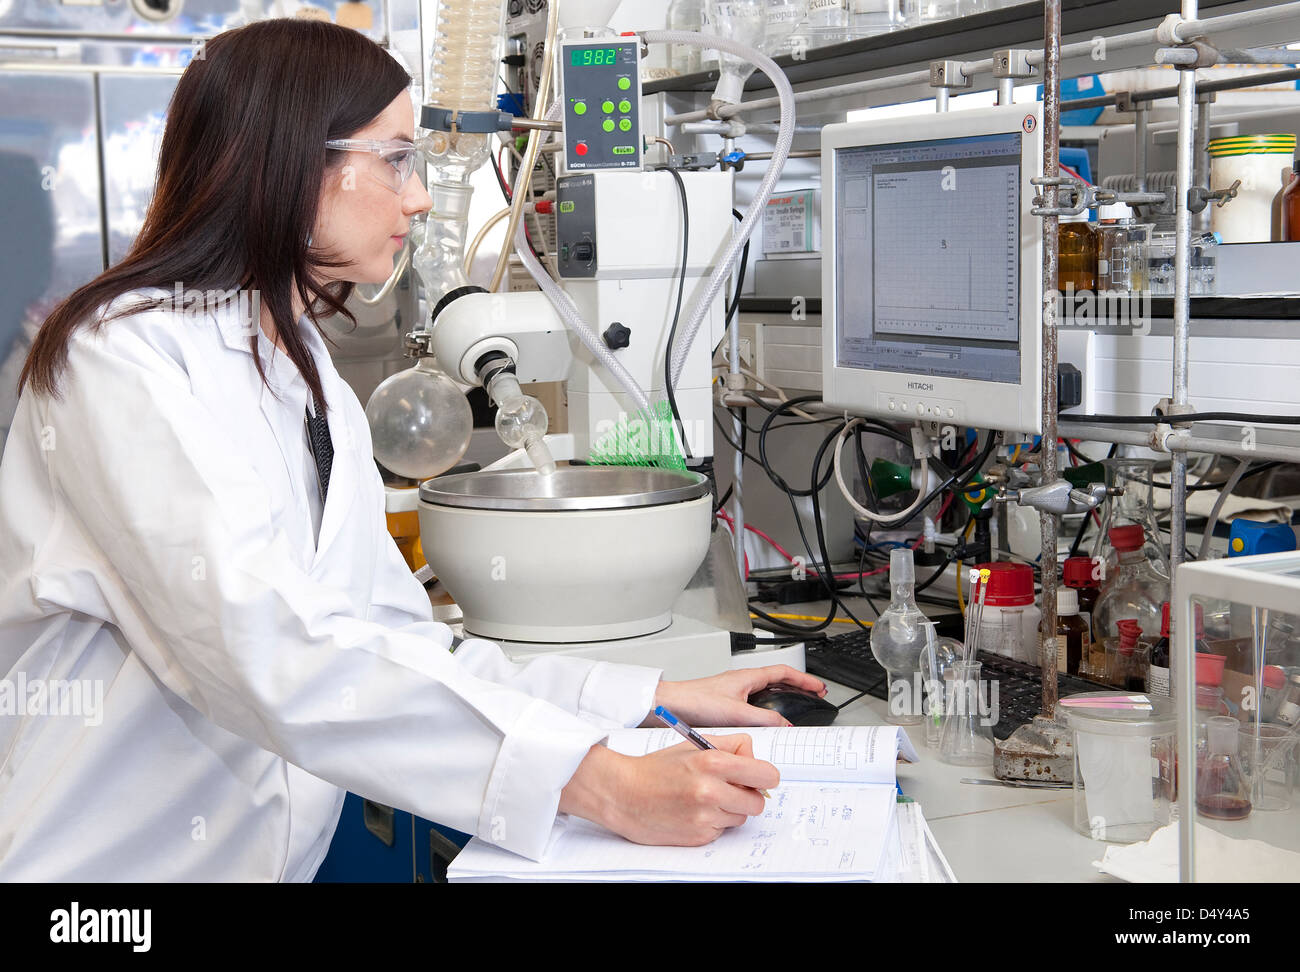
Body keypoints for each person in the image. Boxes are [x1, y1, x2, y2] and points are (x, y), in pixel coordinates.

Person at [0, 18, 825, 881]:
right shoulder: (119, 359)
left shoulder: (299, 362)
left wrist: (642, 700)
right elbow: (270, 651)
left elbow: (392, 639)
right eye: (395, 159)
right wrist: (601, 784)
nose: (420, 196)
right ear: (289, 157)